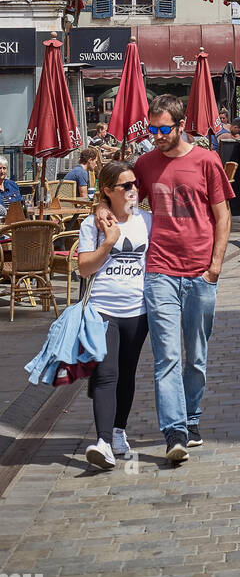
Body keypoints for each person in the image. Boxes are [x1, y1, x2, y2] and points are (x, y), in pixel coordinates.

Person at [92, 94, 234, 464]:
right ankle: (175, 431)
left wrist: (215, 265)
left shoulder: (206, 160)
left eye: (162, 129)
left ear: (180, 124)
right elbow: (116, 186)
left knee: (196, 357)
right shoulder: (146, 163)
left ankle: (192, 417)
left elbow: (222, 216)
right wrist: (99, 208)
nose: (155, 135)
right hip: (159, 272)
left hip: (200, 272)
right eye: (151, 128)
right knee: (167, 357)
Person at [78, 161, 153, 471]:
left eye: (135, 184)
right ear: (108, 191)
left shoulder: (147, 220)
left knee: (127, 372)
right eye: (126, 186)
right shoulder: (91, 225)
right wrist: (108, 241)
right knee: (106, 373)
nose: (134, 190)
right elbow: (84, 268)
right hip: (102, 309)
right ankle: (104, 442)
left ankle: (120, 431)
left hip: (138, 310)